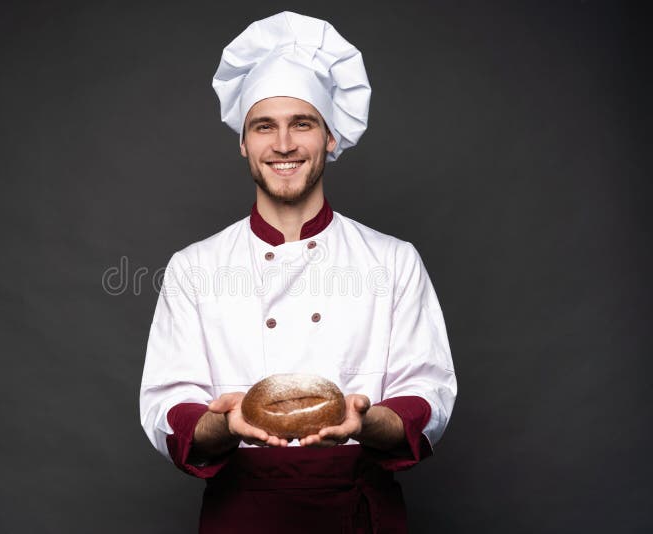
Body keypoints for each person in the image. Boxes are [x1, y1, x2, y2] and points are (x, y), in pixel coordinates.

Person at [140, 11, 457, 533]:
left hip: (358, 512)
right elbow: (168, 408)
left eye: (302, 123)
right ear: (244, 142)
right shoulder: (194, 268)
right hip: (242, 514)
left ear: (330, 138)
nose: (283, 144)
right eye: (264, 126)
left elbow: (428, 394)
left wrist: (363, 420)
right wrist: (227, 424)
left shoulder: (394, 260)